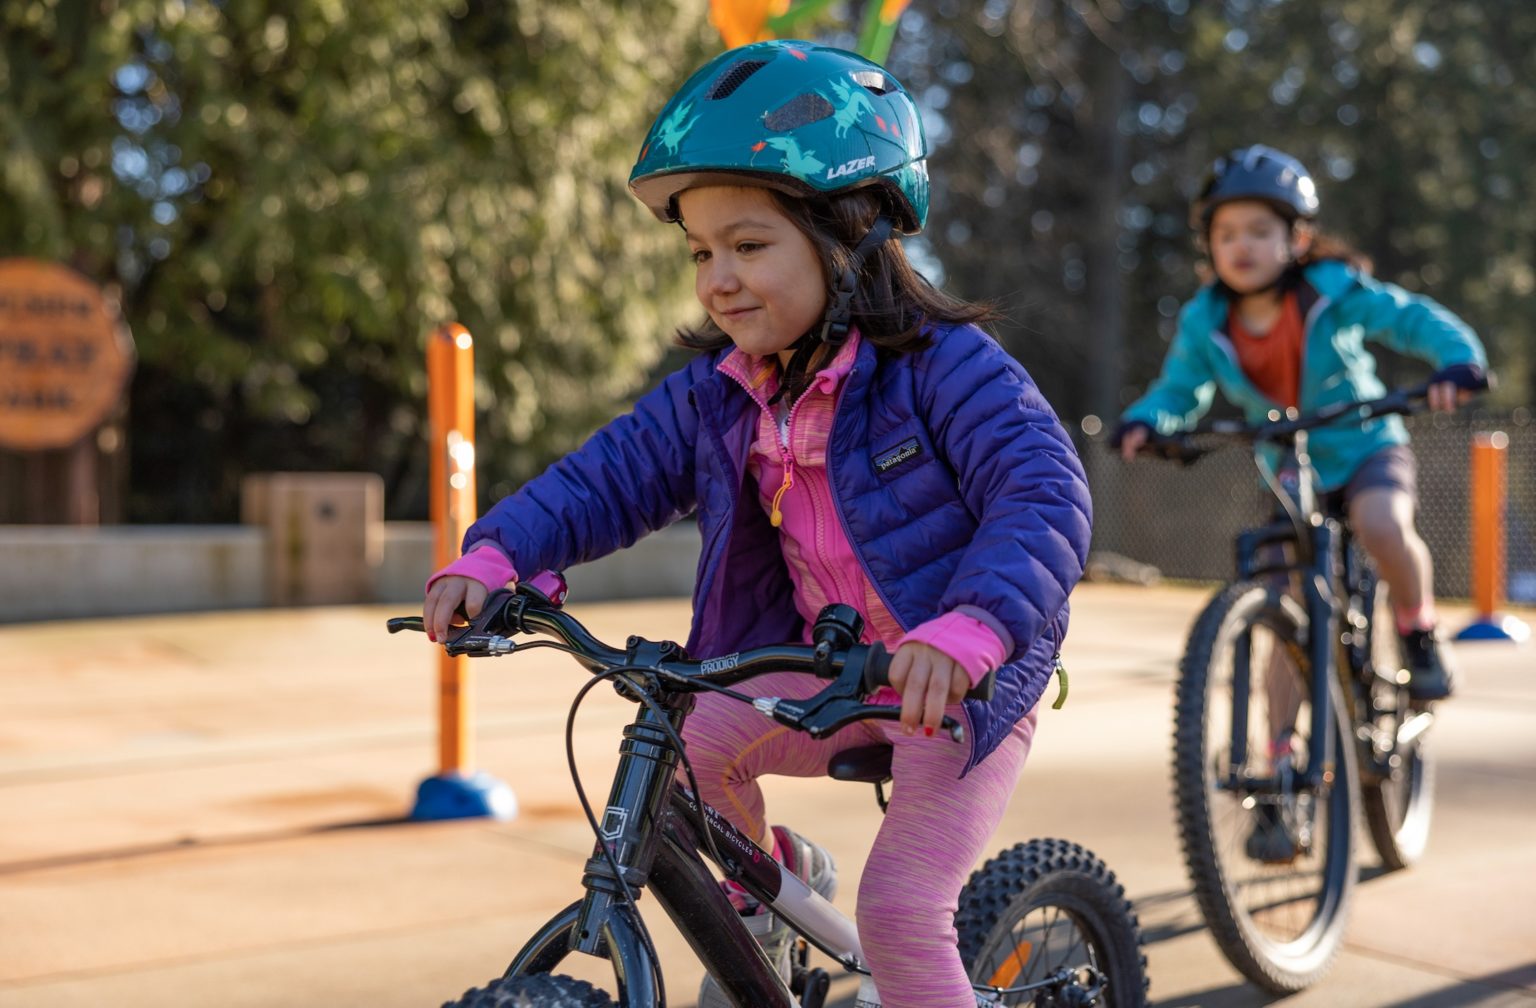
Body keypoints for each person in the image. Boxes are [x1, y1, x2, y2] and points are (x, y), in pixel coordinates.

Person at [423, 40, 1092, 1008]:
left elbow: (1045, 493)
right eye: (700, 252)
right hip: (821, 668)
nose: (717, 279)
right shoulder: (723, 391)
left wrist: (973, 629)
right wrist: (497, 553)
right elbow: (602, 481)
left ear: (851, 233)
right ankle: (775, 899)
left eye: (748, 245)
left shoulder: (944, 365)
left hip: (955, 679)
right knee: (685, 749)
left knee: (903, 916)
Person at [1115, 144, 1489, 708]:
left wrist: (1456, 362)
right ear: (1210, 247)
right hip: (1290, 464)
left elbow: (1410, 319)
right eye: (1227, 234)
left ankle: (1417, 629)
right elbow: (1181, 389)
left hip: (1365, 443)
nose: (1242, 245)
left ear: (1298, 240)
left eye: (1260, 231)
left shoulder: (1333, 289)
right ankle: (1278, 765)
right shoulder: (1203, 319)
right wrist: (1148, 420)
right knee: (1286, 605)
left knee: (1382, 523)